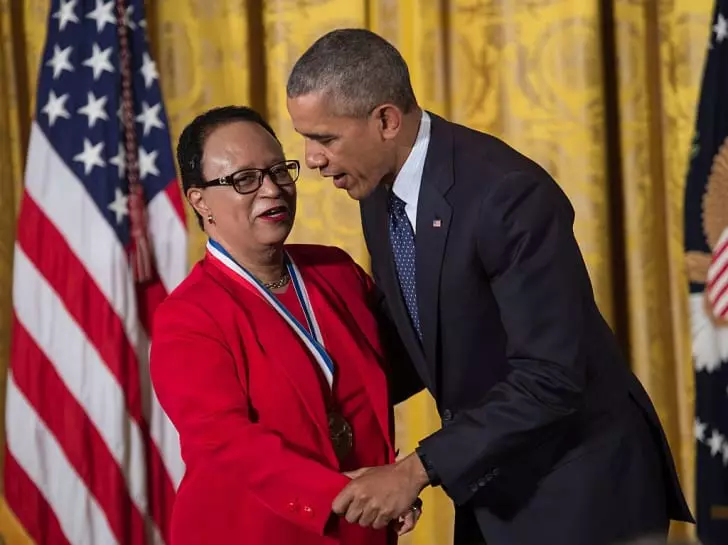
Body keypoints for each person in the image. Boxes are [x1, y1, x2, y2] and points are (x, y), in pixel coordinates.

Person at [285, 29, 695, 545]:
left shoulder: (506, 195)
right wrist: (306, 405)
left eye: (325, 138)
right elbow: (418, 338)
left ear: (386, 120)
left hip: (580, 492)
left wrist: (415, 471)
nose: (313, 159)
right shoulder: (375, 190)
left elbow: (550, 376)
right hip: (490, 485)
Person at [149, 105, 421, 545]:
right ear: (199, 200)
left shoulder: (336, 271)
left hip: (364, 530)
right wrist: (359, 495)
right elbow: (226, 443)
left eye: (279, 170)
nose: (272, 190)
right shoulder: (188, 317)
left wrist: (400, 484)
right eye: (244, 180)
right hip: (255, 532)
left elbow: (402, 365)